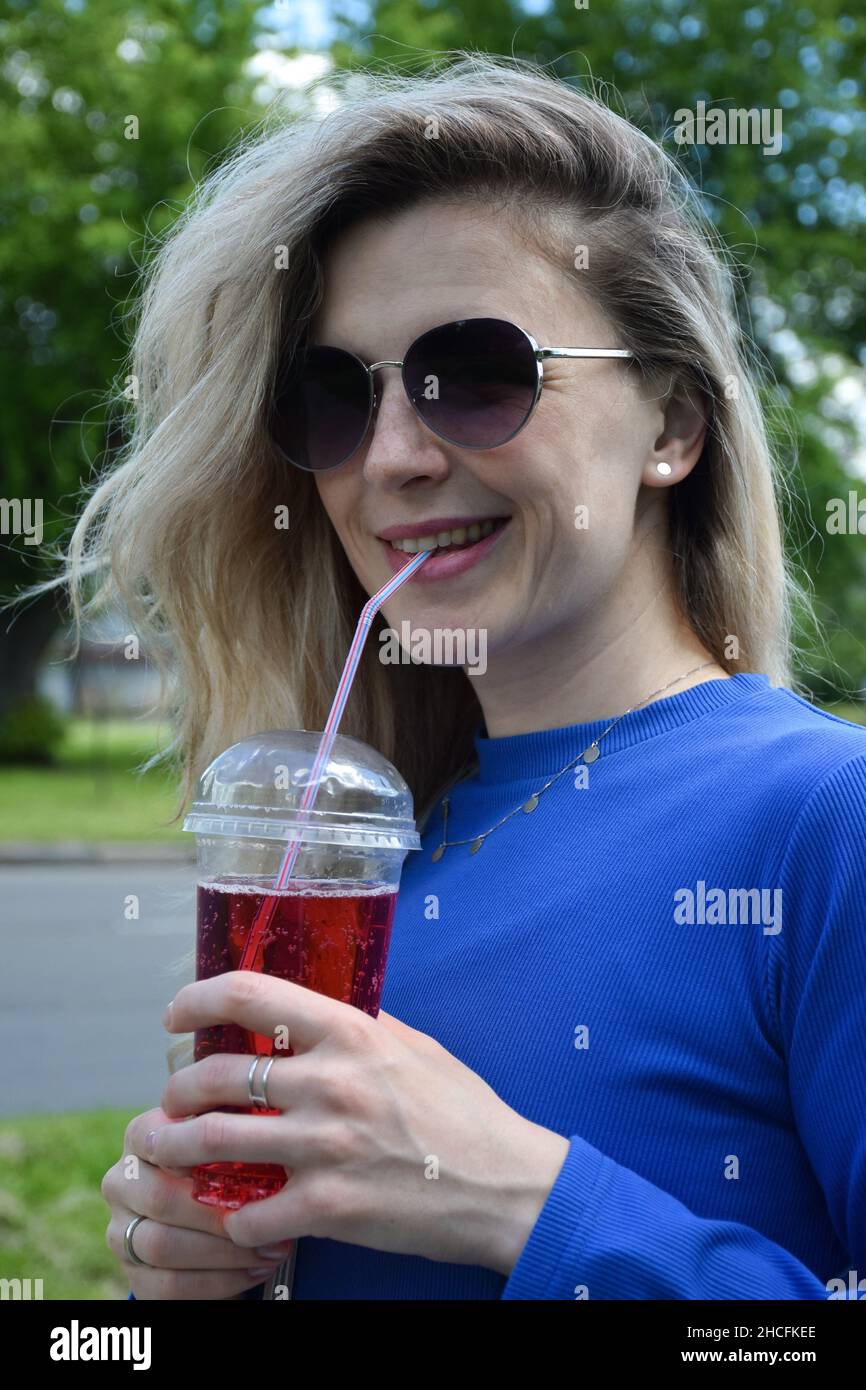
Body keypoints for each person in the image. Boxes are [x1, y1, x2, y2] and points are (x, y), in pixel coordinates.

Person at [46, 53, 866, 1298]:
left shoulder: (826, 820)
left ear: (671, 428)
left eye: (475, 375)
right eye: (331, 396)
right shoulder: (372, 849)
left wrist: (522, 1202)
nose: (388, 460)